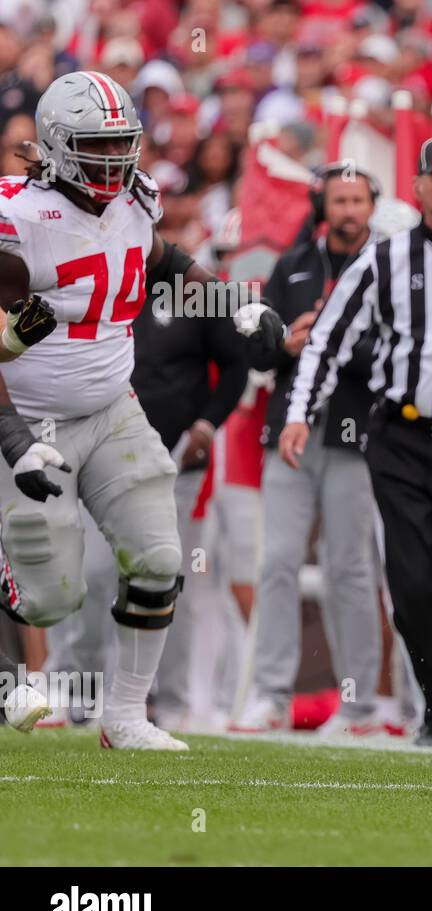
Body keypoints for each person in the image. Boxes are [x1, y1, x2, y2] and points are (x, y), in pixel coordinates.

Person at [0, 72, 279, 751]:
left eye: (122, 143)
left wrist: (232, 302)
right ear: (61, 147)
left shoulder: (132, 198)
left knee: (157, 559)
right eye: (98, 146)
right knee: (52, 598)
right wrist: (13, 438)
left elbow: (163, 259)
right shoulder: (20, 222)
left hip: (114, 409)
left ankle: (125, 717)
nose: (115, 160)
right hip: (33, 417)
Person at [282, 137, 432, 746]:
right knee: (412, 586)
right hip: (402, 439)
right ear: (417, 187)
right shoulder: (384, 259)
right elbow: (328, 339)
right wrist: (298, 413)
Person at [231, 163, 385, 735]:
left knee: (350, 568)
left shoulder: (386, 267)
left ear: (373, 205)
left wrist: (333, 338)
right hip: (288, 434)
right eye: (339, 200)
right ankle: (269, 695)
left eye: (358, 199)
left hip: (353, 432)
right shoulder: (292, 265)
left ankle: (359, 704)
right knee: (277, 562)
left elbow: (398, 355)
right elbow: (258, 352)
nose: (348, 210)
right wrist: (289, 341)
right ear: (323, 205)